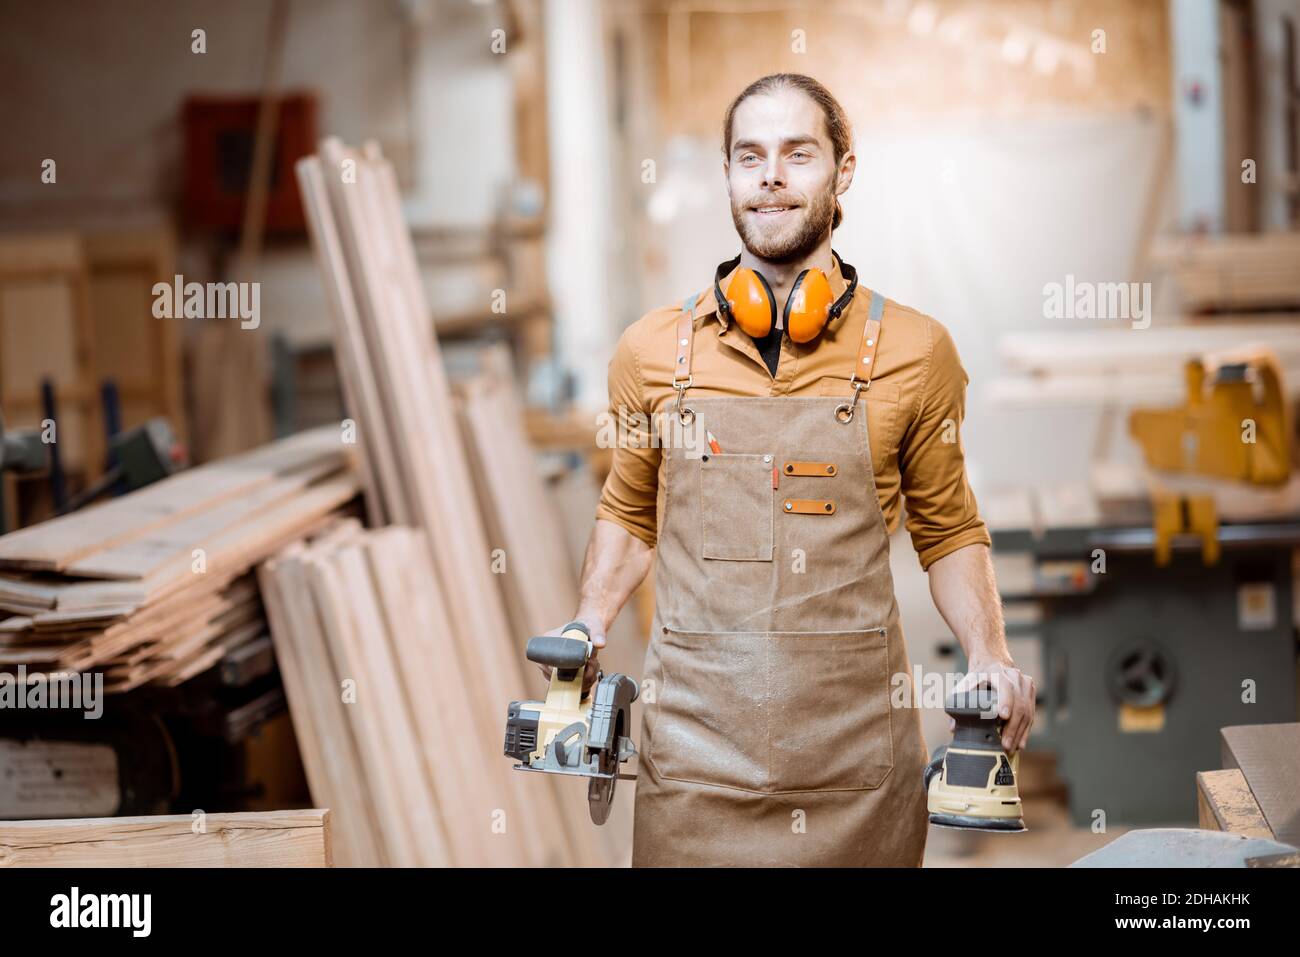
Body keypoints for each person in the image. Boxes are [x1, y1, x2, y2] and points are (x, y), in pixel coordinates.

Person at [545, 72, 1035, 867]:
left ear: (843, 171)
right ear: (730, 176)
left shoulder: (918, 352)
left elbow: (948, 529)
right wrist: (589, 622)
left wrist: (991, 653)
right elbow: (630, 513)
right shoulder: (649, 351)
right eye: (750, 156)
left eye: (797, 154)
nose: (770, 175)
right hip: (693, 766)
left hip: (856, 766)